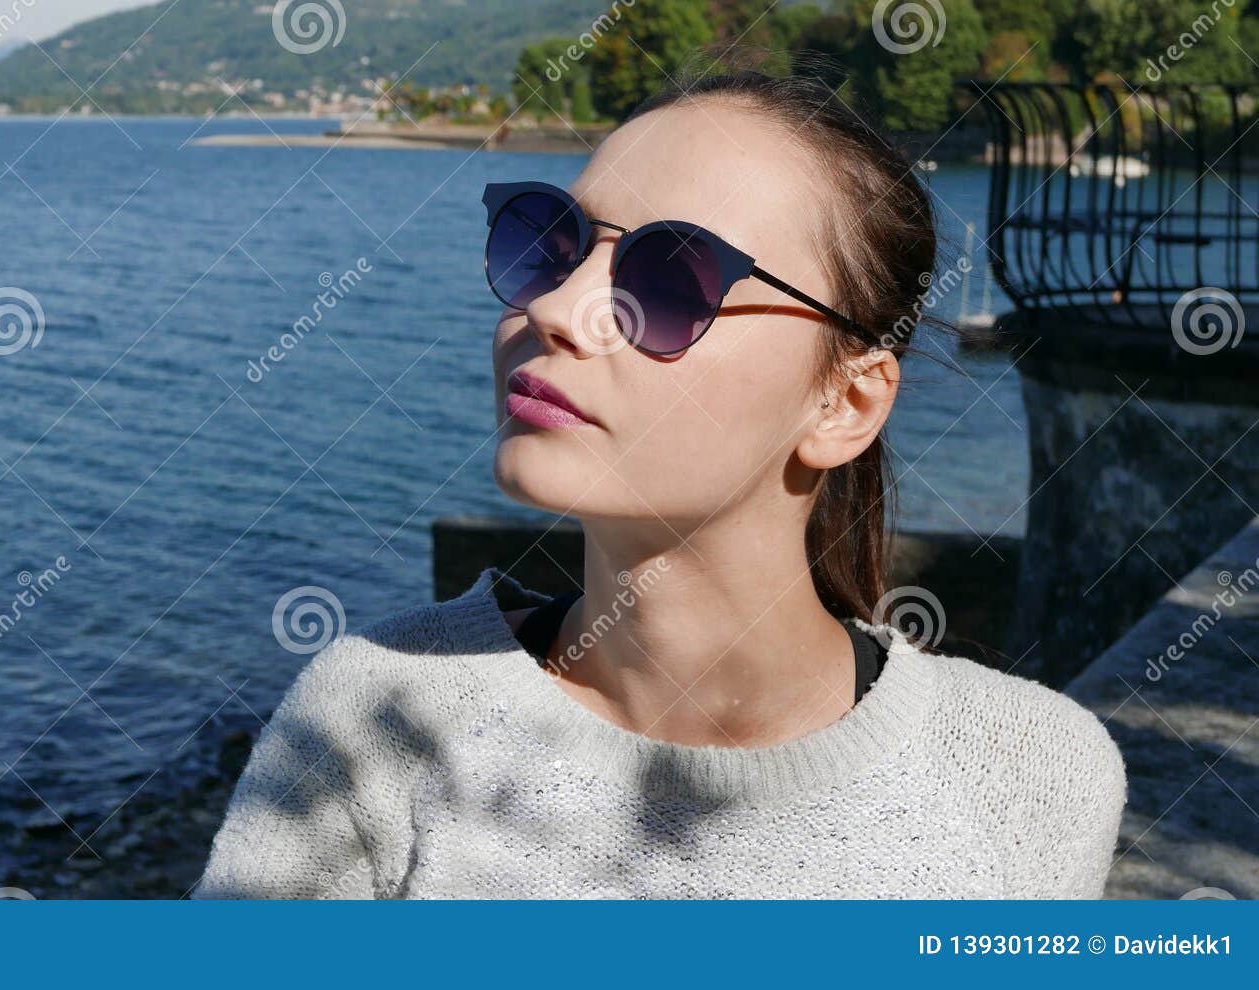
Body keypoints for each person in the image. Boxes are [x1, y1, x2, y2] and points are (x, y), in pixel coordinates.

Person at [194, 70, 1127, 899]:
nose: (553, 309)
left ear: (844, 403)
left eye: (671, 281)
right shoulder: (372, 720)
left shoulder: (1033, 772)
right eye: (550, 244)